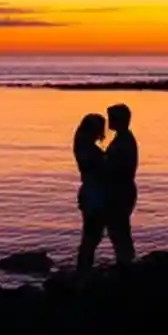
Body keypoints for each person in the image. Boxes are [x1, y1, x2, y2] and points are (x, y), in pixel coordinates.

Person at [73, 113, 108, 272]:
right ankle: (84, 270)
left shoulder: (83, 145)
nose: (100, 133)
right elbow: (97, 169)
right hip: (93, 195)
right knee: (92, 235)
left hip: (91, 193)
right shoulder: (87, 150)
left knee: (91, 235)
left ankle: (84, 269)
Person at [104, 103, 138, 264]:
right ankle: (125, 261)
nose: (108, 121)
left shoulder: (124, 141)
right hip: (121, 189)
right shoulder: (123, 139)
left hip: (121, 190)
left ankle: (126, 263)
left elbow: (120, 167)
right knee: (119, 229)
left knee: (119, 229)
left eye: (111, 117)